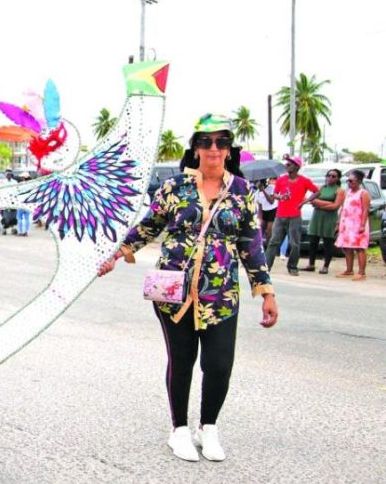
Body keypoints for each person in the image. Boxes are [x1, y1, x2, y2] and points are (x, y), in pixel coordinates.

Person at [99, 114, 278, 463]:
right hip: (173, 290)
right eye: (206, 141)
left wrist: (267, 293)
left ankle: (208, 428)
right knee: (181, 360)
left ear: (229, 150)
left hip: (221, 293)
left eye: (221, 142)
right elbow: (148, 226)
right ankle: (178, 429)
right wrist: (118, 253)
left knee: (219, 363)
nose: (214, 148)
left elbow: (251, 246)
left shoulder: (242, 193)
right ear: (195, 148)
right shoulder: (174, 188)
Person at [264, 156, 318, 276]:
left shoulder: (304, 180)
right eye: (287, 164)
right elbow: (274, 195)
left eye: (290, 164)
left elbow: (317, 191)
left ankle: (292, 266)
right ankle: (267, 266)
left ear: (297, 167)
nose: (287, 166)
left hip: (295, 216)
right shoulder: (281, 180)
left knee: (295, 243)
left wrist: (304, 202)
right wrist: (280, 197)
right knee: (274, 242)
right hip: (280, 215)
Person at [302, 168, 343, 274]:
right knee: (313, 241)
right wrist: (327, 203)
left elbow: (336, 206)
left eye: (333, 176)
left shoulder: (339, 190)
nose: (330, 177)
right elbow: (312, 200)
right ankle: (311, 264)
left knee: (328, 243)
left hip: (330, 218)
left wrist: (320, 205)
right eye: (328, 175)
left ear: (338, 178)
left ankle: (325, 266)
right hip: (317, 217)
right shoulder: (320, 188)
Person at [335, 169, 371, 281]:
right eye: (348, 181)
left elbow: (365, 210)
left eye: (351, 181)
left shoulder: (363, 194)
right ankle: (349, 269)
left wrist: (363, 225)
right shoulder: (348, 193)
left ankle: (361, 272)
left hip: (358, 224)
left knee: (360, 248)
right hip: (347, 224)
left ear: (359, 181)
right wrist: (338, 222)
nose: (349, 183)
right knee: (347, 247)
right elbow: (343, 208)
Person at [253, 179, 277, 246]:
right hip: (264, 212)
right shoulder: (257, 193)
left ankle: (269, 248)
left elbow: (271, 201)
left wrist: (263, 190)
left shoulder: (271, 187)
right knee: (260, 230)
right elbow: (259, 206)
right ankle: (259, 247)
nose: (258, 184)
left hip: (273, 210)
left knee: (269, 232)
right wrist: (259, 218)